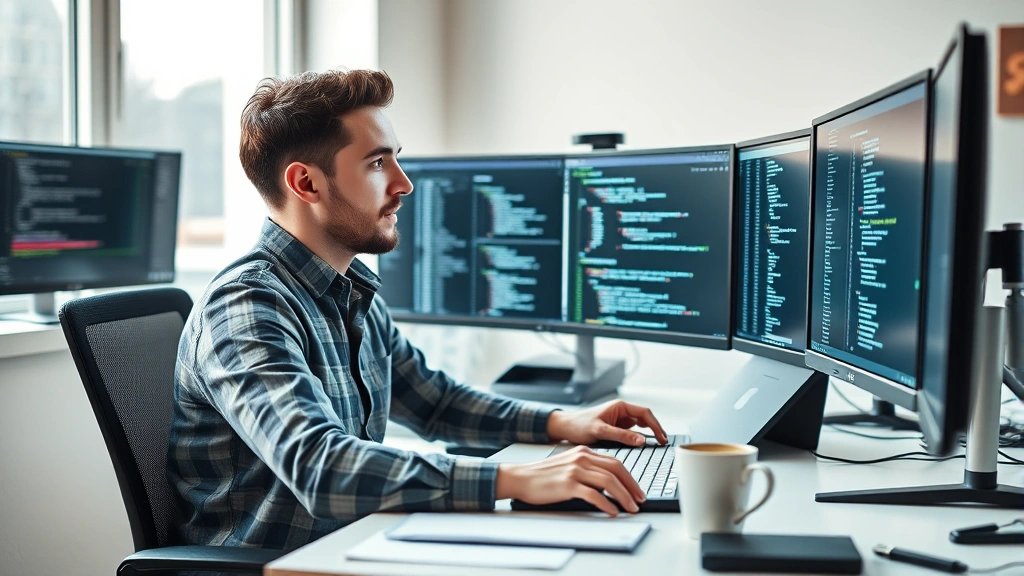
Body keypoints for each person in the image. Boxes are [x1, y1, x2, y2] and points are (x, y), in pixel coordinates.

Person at [168, 67, 667, 551]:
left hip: (354, 548)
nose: (404, 184)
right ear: (306, 184)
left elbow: (436, 403)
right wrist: (518, 479)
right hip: (279, 567)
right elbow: (320, 467)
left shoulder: (349, 291)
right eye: (378, 163)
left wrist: (563, 423)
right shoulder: (248, 305)